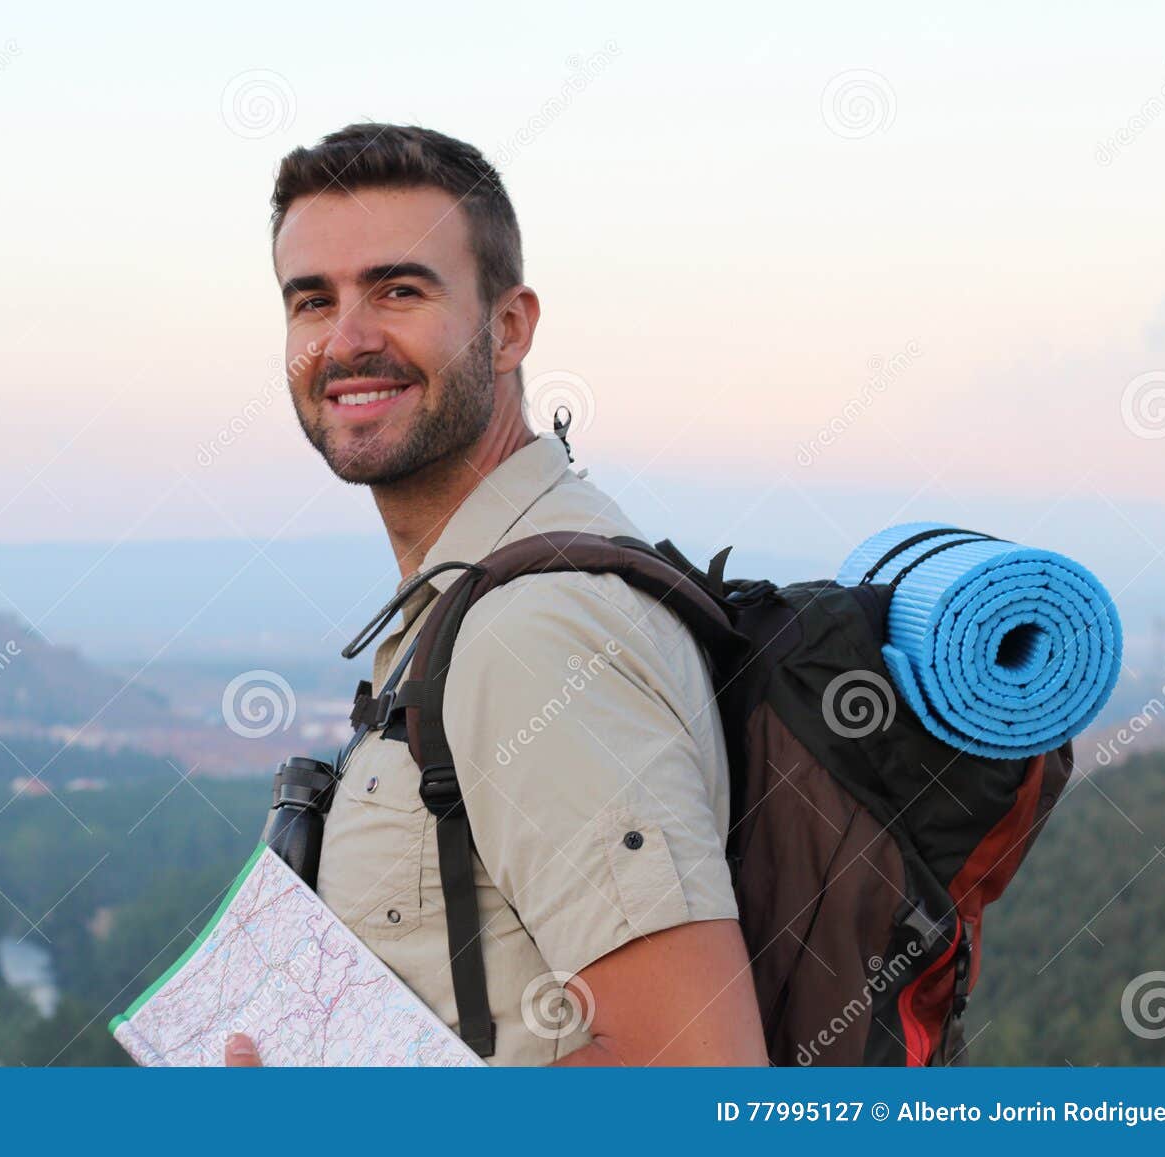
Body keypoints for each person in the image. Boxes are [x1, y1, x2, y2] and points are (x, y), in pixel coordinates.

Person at [227, 123, 767, 1066]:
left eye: (400, 290)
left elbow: (695, 1072)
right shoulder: (474, 599)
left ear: (510, 327)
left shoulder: (534, 632)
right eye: (313, 301)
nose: (347, 340)